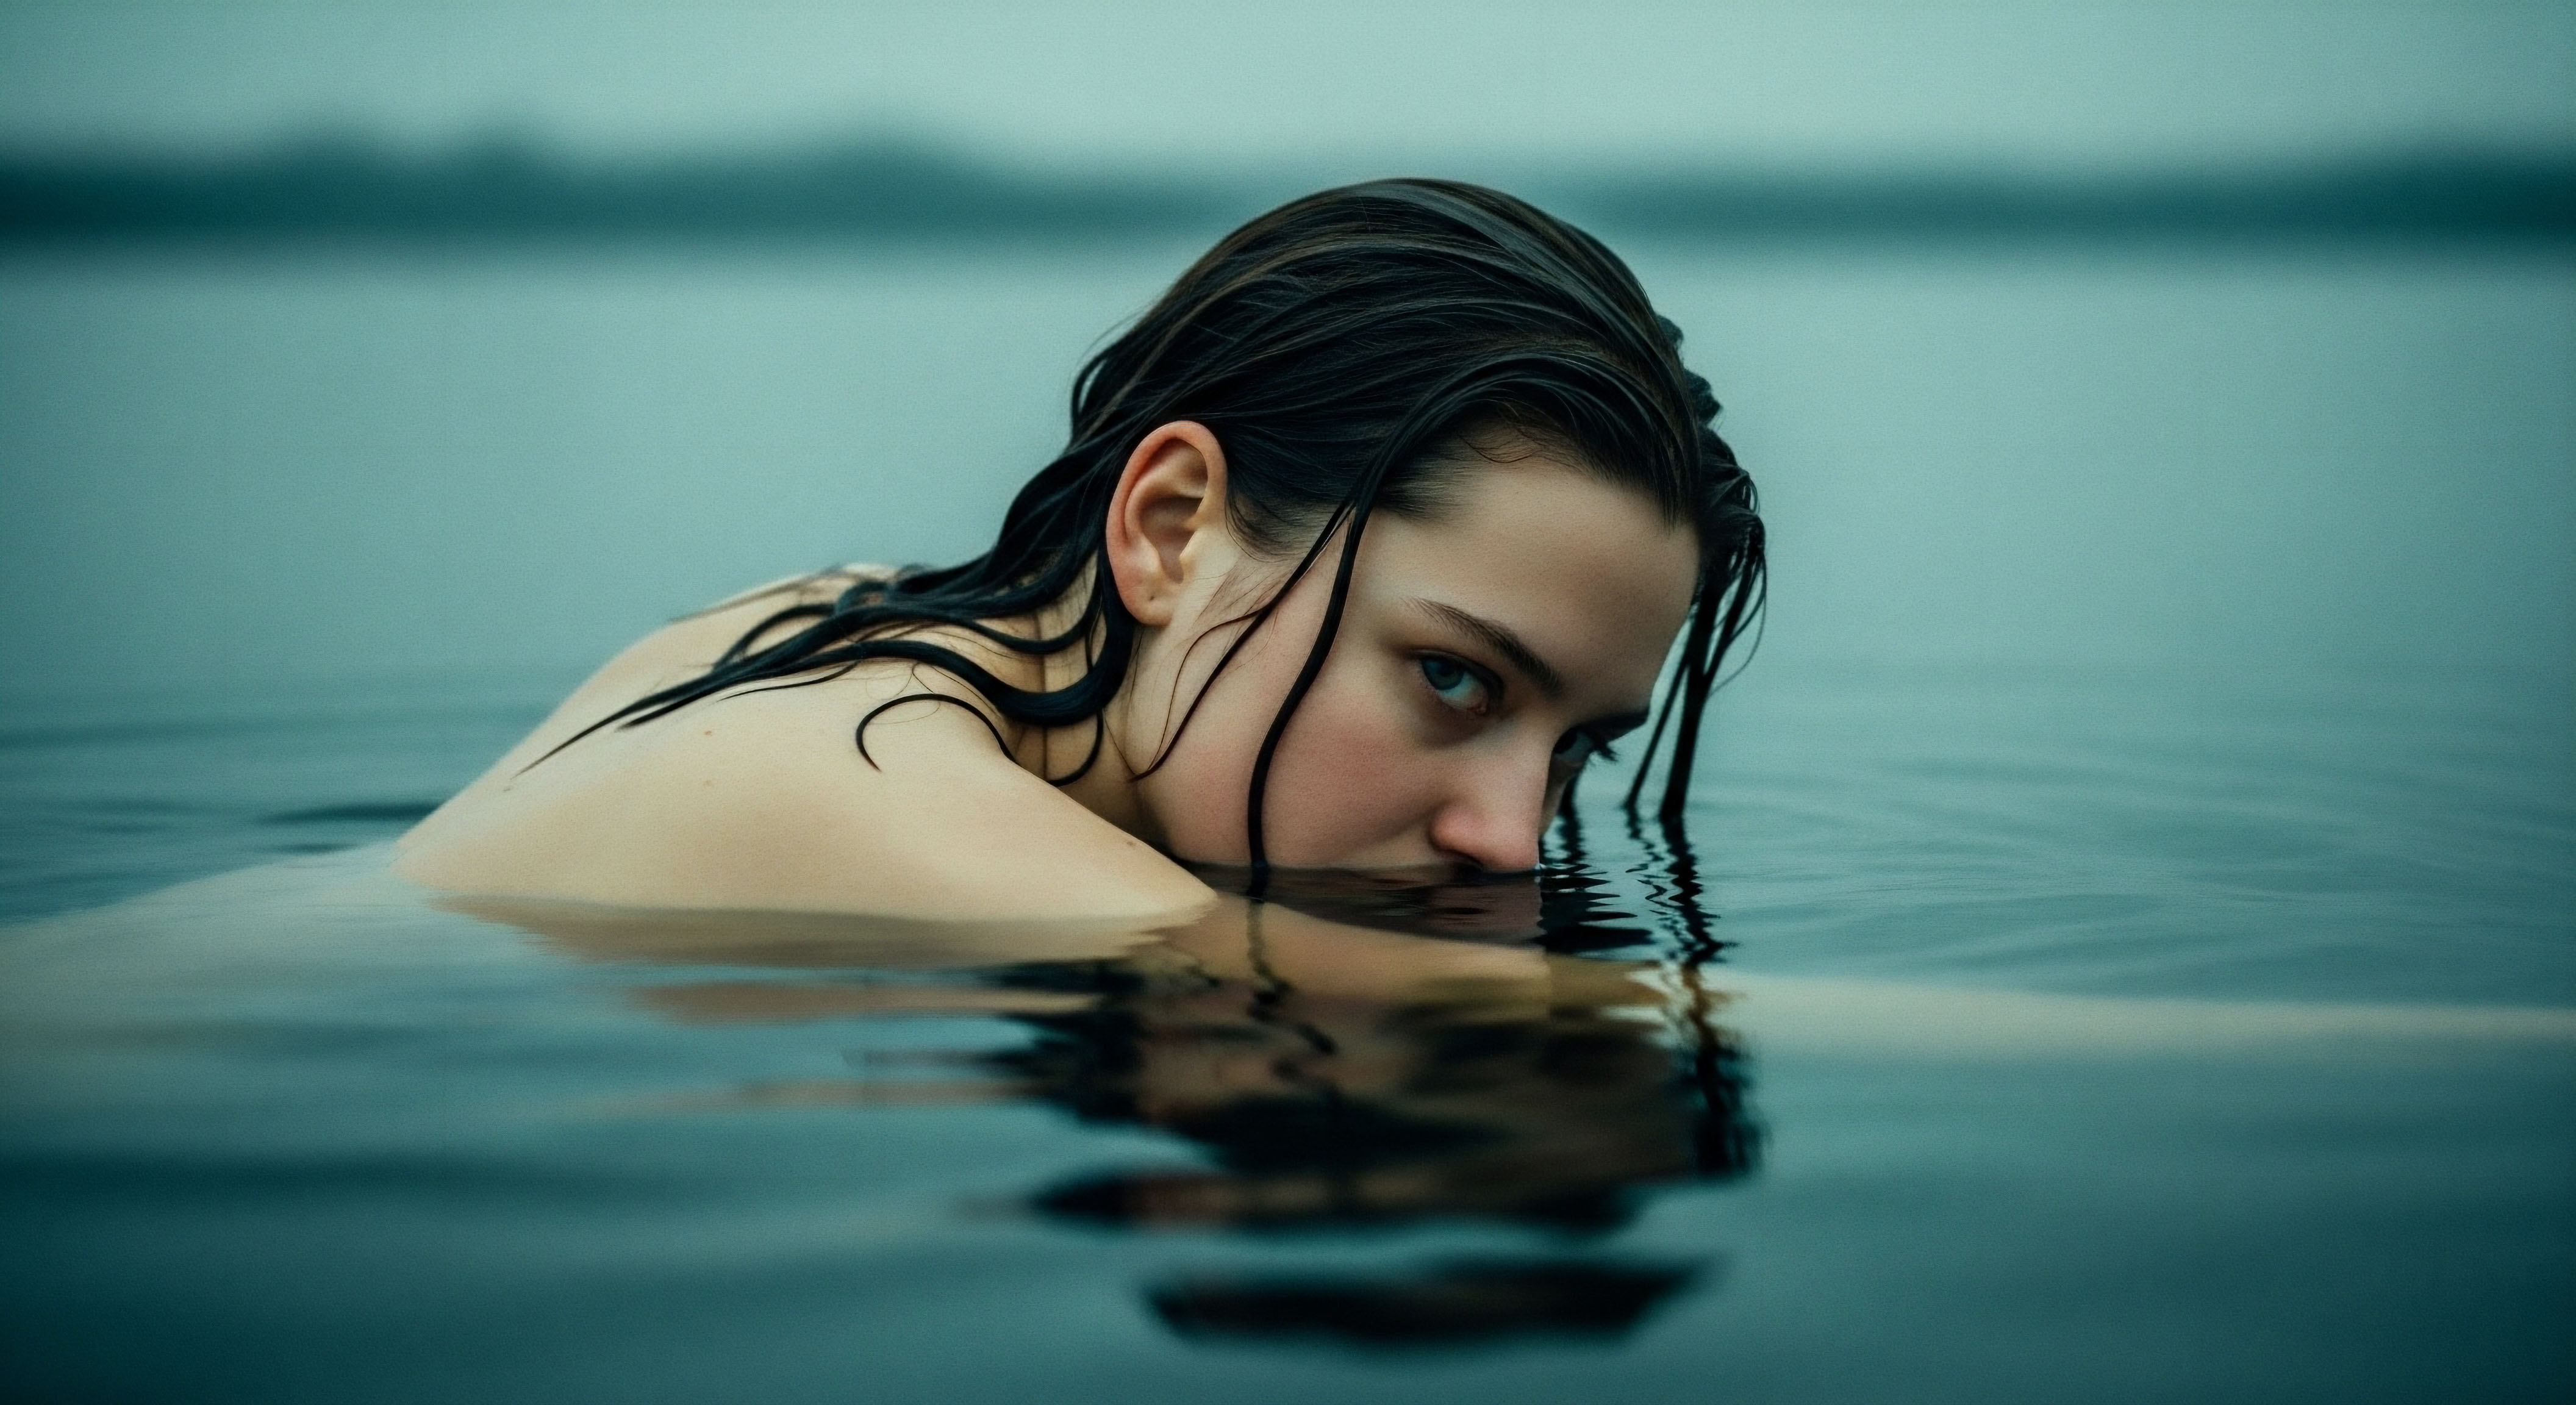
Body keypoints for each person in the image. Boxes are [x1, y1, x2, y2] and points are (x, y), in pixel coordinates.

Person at [395, 179, 1764, 922]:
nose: (1511, 840)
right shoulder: (887, 802)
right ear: (1171, 529)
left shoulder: (841, 625)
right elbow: (1560, 1031)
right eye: (1455, 681)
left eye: (1578, 746)